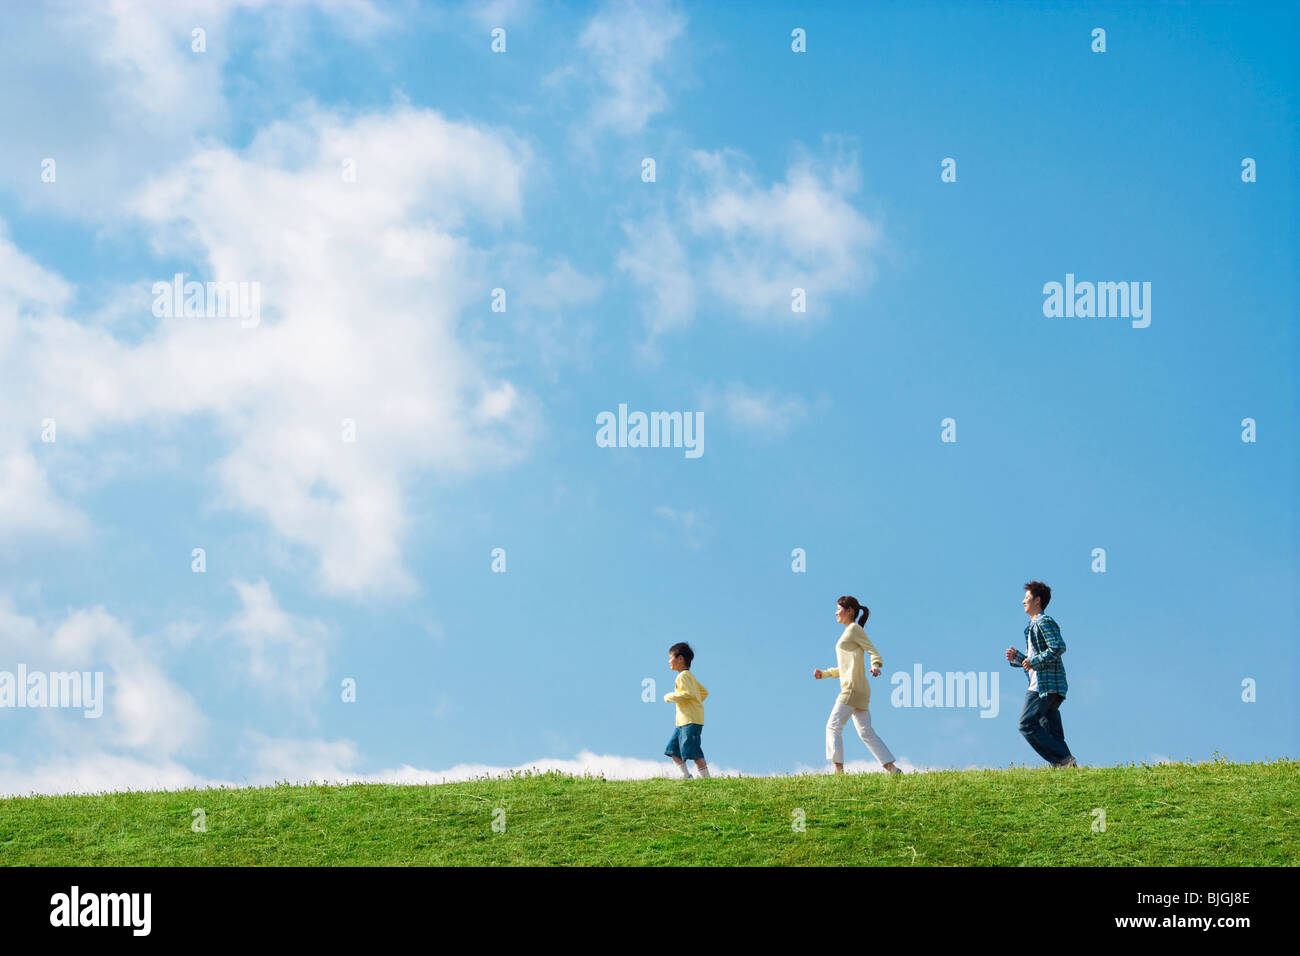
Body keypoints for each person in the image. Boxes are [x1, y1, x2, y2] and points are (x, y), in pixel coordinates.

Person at [815, 595, 902, 774]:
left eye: (839, 609)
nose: (836, 612)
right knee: (865, 731)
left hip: (852, 689)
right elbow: (844, 667)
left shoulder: (854, 629)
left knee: (833, 726)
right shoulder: (850, 631)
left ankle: (838, 770)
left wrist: (876, 665)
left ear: (850, 611)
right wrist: (825, 674)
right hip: (860, 690)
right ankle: (892, 769)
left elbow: (872, 650)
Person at [1005, 580, 1077, 767]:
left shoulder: (1043, 621)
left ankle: (1063, 760)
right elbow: (1034, 658)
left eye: (1026, 598)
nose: (1023, 602)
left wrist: (1033, 661)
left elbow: (1058, 646)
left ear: (1037, 600)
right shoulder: (1031, 627)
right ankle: (1068, 767)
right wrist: (1018, 657)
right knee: (1052, 733)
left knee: (1026, 724)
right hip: (1047, 684)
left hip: (1044, 686)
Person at [663, 642, 710, 779]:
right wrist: (695, 704)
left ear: (680, 659)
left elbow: (689, 694)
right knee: (673, 750)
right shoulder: (690, 677)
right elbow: (703, 692)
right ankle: (686, 776)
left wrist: (670, 696)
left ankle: (706, 779)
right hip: (682, 722)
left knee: (694, 751)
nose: (668, 661)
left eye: (670, 657)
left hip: (690, 721)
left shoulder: (683, 676)